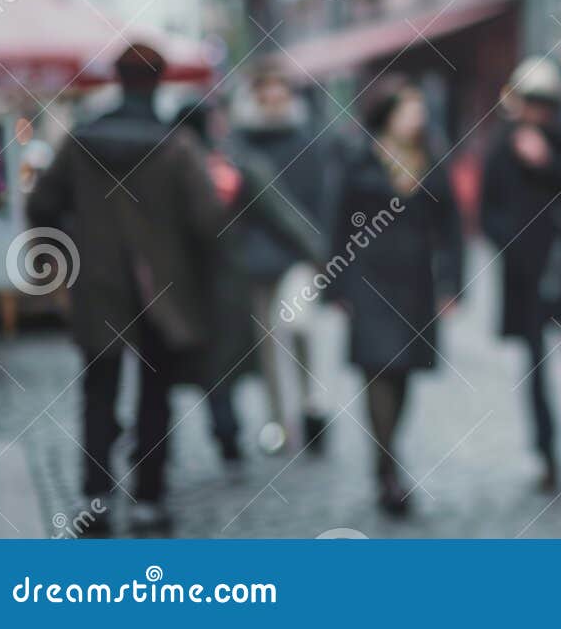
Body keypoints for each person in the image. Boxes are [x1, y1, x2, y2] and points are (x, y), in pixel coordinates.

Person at [26, 43, 223, 535]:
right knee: (154, 394)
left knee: (99, 392)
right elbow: (207, 221)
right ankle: (148, 500)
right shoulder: (176, 147)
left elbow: (41, 205)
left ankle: (95, 498)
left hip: (97, 285)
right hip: (162, 290)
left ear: (117, 78)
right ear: (158, 81)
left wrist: (70, 252)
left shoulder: (80, 143)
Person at [330, 78, 462, 515]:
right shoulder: (360, 157)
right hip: (369, 279)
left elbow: (451, 228)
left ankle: (387, 454)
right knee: (377, 369)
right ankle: (387, 472)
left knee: (403, 371)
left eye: (420, 110)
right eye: (409, 109)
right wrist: (336, 281)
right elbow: (338, 223)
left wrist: (451, 283)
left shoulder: (432, 159)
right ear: (389, 114)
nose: (418, 118)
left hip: (415, 283)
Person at [172, 101, 324, 468]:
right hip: (223, 279)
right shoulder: (229, 165)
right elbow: (281, 212)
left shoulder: (186, 166)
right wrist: (319, 253)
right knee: (225, 355)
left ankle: (226, 432)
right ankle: (229, 433)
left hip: (195, 281)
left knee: (215, 357)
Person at [481, 58, 561, 493]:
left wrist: (547, 161)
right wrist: (514, 248)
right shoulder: (502, 144)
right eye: (527, 101)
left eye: (541, 102)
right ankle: (546, 456)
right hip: (527, 277)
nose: (534, 110)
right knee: (535, 370)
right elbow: (487, 210)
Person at [228, 60, 336, 455]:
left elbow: (323, 198)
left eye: (280, 91)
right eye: (266, 91)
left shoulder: (307, 140)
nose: (273, 99)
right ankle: (277, 421)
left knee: (301, 329)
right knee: (267, 344)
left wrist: (318, 249)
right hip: (256, 259)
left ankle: (312, 406)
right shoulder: (239, 144)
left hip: (298, 256)